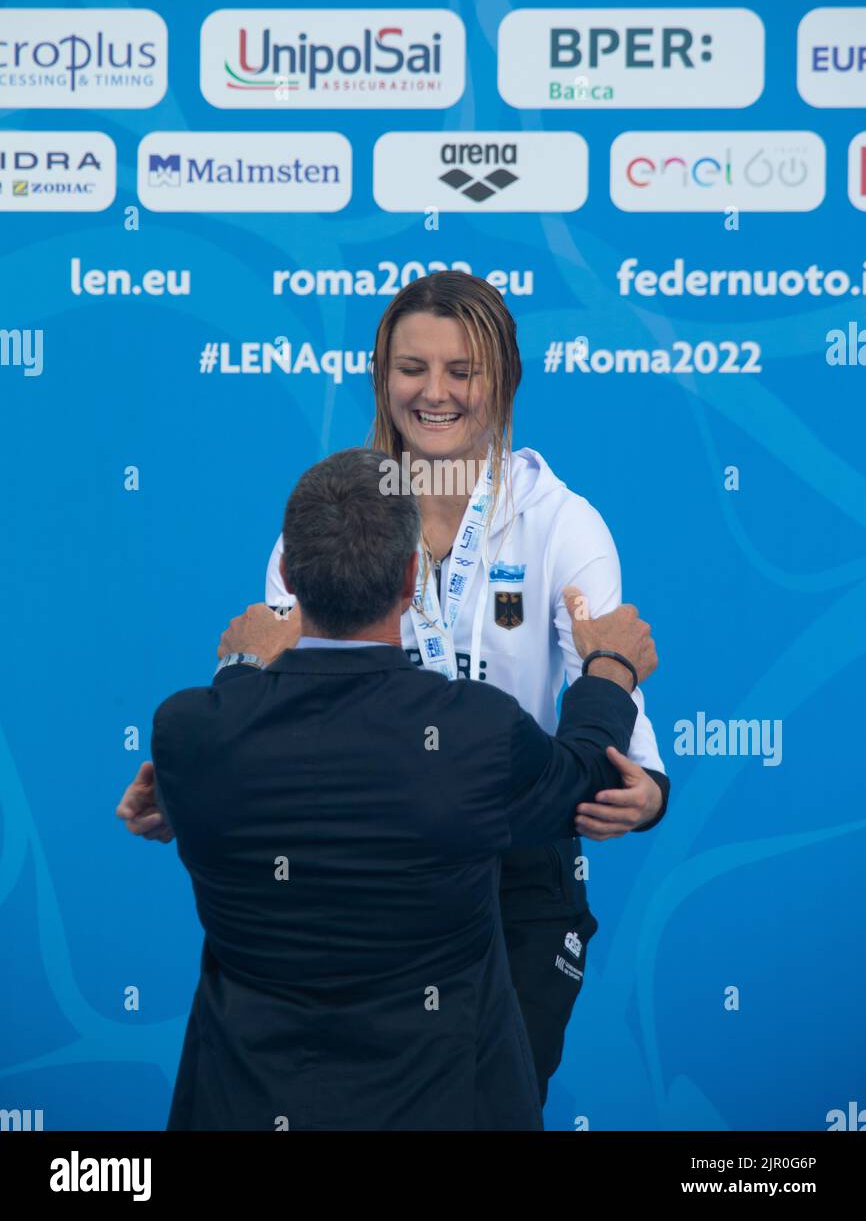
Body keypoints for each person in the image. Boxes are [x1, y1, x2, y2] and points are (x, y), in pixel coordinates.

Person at [119, 271, 670, 1103]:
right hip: (359, 854)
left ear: (504, 380)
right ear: (382, 377)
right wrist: (193, 789)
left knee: (487, 1105)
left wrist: (649, 786)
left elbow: (609, 686)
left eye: (463, 370)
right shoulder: (334, 514)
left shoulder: (564, 523)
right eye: (413, 368)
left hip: (514, 856)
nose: (436, 392)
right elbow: (273, 695)